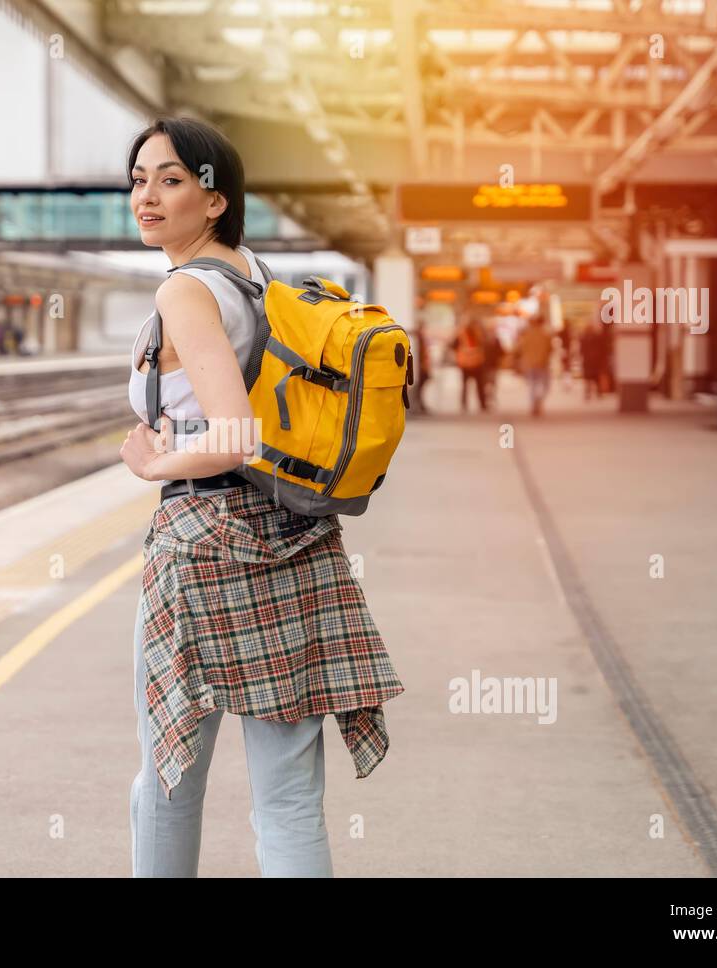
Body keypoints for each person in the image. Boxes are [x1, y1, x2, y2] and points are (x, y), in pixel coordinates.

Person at [118, 116, 404, 878]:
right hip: (295, 541)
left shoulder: (184, 289)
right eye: (139, 179)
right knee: (287, 799)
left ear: (215, 199)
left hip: (204, 547)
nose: (146, 196)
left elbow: (236, 434)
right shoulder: (258, 276)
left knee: (169, 779)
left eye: (171, 180)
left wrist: (156, 464)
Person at [514, 314, 554, 416]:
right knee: (544, 386)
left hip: (529, 364)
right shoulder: (545, 334)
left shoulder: (526, 334)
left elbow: (518, 348)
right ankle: (538, 402)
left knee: (532, 385)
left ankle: (534, 404)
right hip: (542, 364)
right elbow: (550, 349)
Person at [451, 313, 488, 412]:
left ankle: (468, 404)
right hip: (471, 363)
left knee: (472, 386)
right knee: (477, 386)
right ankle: (479, 404)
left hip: (471, 363)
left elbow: (453, 346)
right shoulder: (476, 333)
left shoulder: (464, 333)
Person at [412, 319, 431, 414]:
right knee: (419, 387)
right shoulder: (419, 338)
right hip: (420, 366)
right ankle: (419, 405)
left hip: (420, 366)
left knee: (420, 387)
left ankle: (420, 405)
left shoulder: (419, 337)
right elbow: (421, 353)